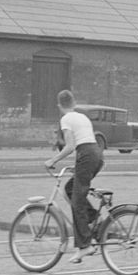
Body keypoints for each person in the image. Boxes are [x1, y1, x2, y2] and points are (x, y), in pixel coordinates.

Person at [44, 89, 104, 263]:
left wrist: (52, 160)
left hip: (85, 155)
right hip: (96, 154)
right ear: (74, 103)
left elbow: (71, 145)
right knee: (70, 189)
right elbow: (85, 141)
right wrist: (78, 165)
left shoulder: (66, 119)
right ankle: (93, 219)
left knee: (77, 201)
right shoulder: (82, 117)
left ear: (59, 106)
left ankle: (85, 245)